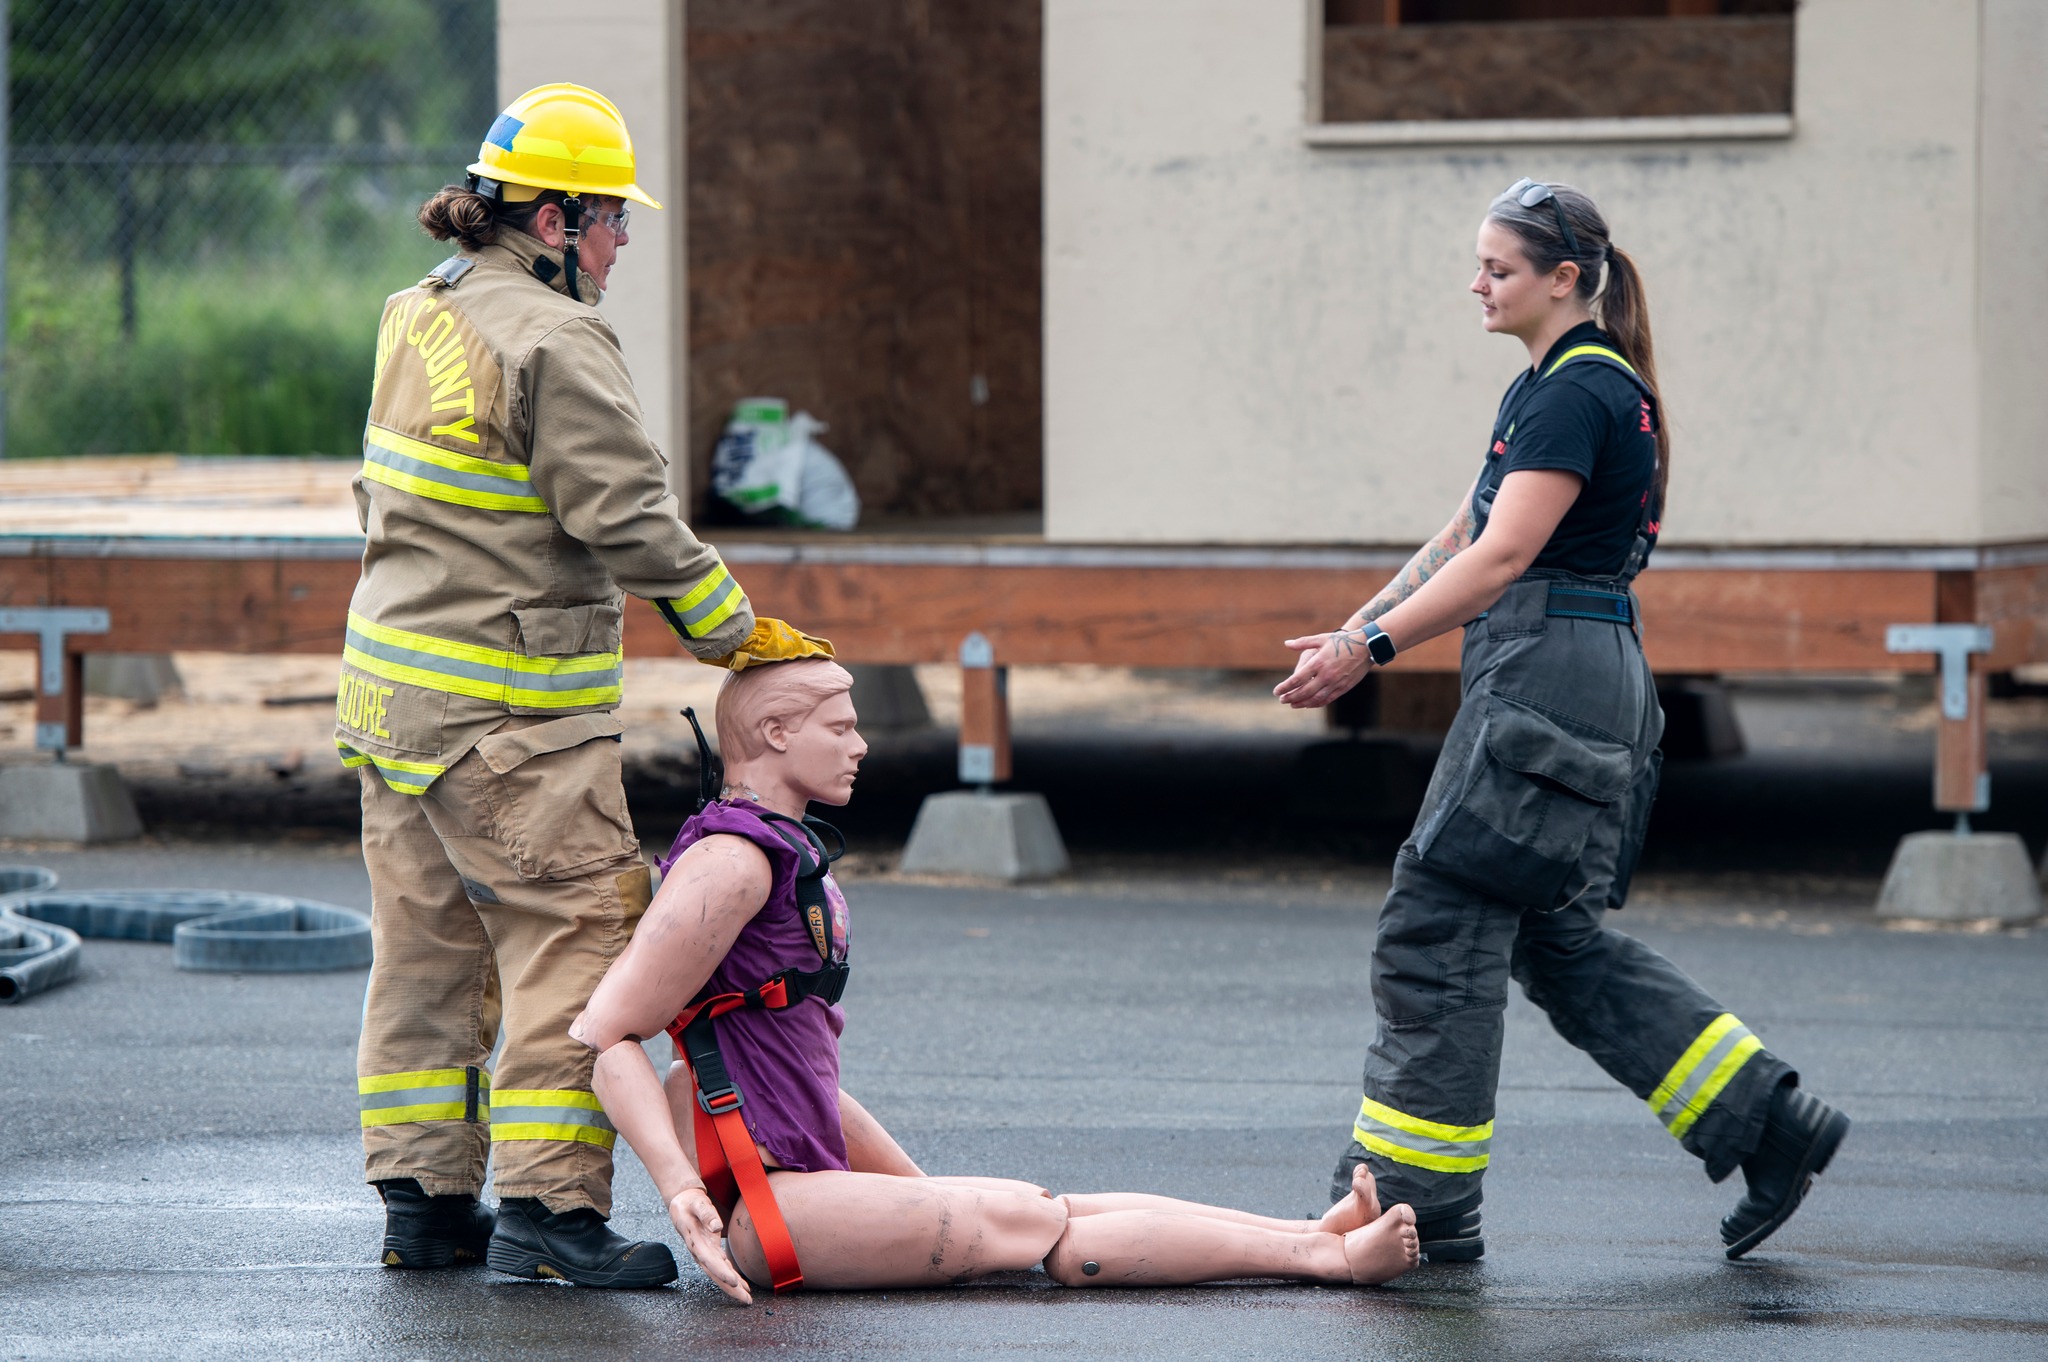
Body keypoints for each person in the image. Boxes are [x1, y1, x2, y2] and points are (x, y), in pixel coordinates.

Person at [1274, 179, 1850, 1264]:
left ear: (1561, 278)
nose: (1476, 284)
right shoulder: (1563, 387)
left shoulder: (1570, 392)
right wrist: (1351, 631)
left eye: (1496, 267)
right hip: (1586, 679)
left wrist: (1374, 651)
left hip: (1549, 682)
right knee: (1553, 937)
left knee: (1437, 921)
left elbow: (1498, 558)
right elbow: (1458, 532)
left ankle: (1411, 1207)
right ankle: (1767, 1124)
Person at [342, 81, 820, 1287]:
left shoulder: (420, 310)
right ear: (553, 221)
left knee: (427, 948)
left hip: (392, 703)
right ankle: (549, 1219)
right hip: (509, 717)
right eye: (610, 219)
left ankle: (425, 1205)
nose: (620, 244)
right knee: (585, 934)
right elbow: (630, 521)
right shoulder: (555, 339)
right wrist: (737, 638)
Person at [569, 658, 1422, 1302]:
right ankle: (1324, 1259)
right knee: (1045, 1235)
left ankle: (1310, 1231)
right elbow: (608, 1032)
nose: (862, 744)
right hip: (773, 1202)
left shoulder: (770, 846)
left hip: (787, 1136)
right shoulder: (730, 863)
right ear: (779, 734)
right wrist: (681, 1192)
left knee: (1036, 1201)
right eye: (841, 727)